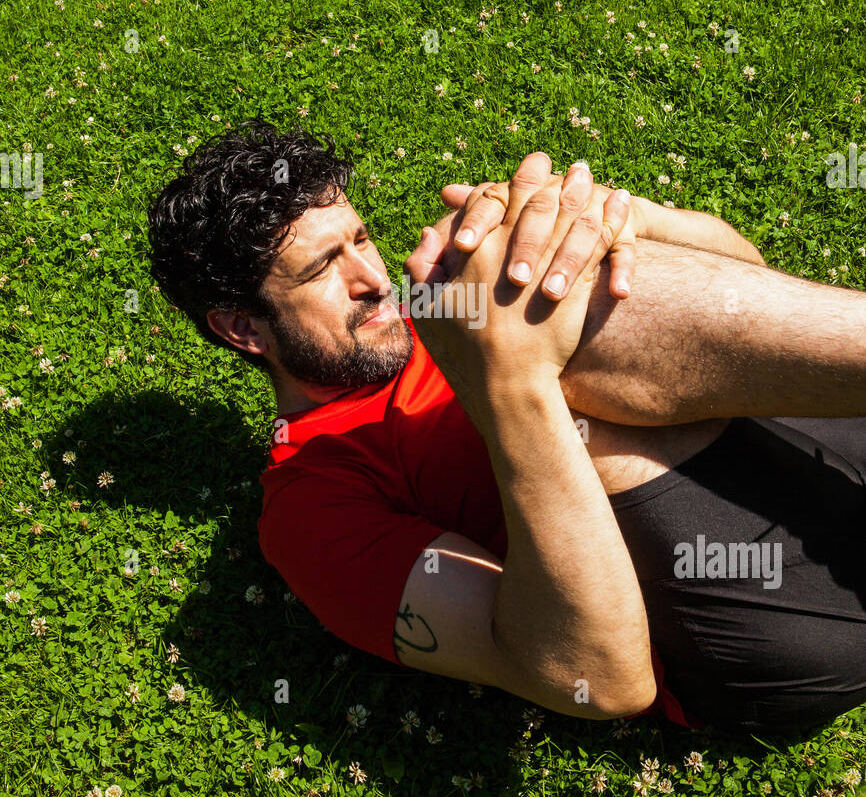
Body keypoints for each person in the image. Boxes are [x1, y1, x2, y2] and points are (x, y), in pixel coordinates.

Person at [146, 122, 866, 739]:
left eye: (361, 239)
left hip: (811, 442)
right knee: (554, 324)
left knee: (556, 280)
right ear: (243, 328)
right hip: (758, 609)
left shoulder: (447, 296)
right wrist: (515, 383)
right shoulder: (308, 501)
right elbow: (598, 678)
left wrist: (621, 222)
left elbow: (754, 295)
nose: (372, 278)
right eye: (322, 271)